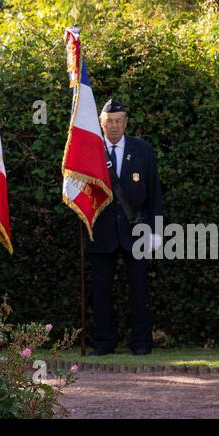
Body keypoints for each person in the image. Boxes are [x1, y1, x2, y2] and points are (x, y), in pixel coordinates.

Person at [86, 98, 163, 356]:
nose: (114, 126)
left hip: (136, 229)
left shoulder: (143, 150)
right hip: (101, 229)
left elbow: (154, 194)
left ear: (126, 122)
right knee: (101, 292)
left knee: (140, 290)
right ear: (101, 123)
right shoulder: (90, 151)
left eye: (119, 121)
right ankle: (103, 342)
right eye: (109, 122)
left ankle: (141, 342)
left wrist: (155, 230)